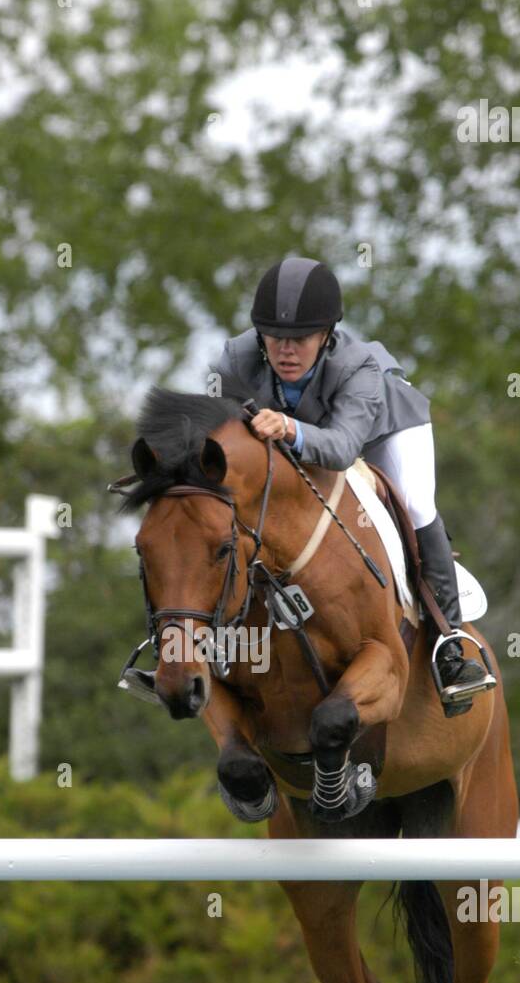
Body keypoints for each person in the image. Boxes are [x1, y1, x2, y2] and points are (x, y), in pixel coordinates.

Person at [208, 254, 496, 714]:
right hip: (302, 438)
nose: (286, 351)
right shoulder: (234, 360)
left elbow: (343, 449)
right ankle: (189, 640)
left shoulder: (358, 366)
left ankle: (450, 645)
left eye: (301, 339)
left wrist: (288, 427)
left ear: (326, 335)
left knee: (416, 504)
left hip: (384, 430)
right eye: (275, 337)